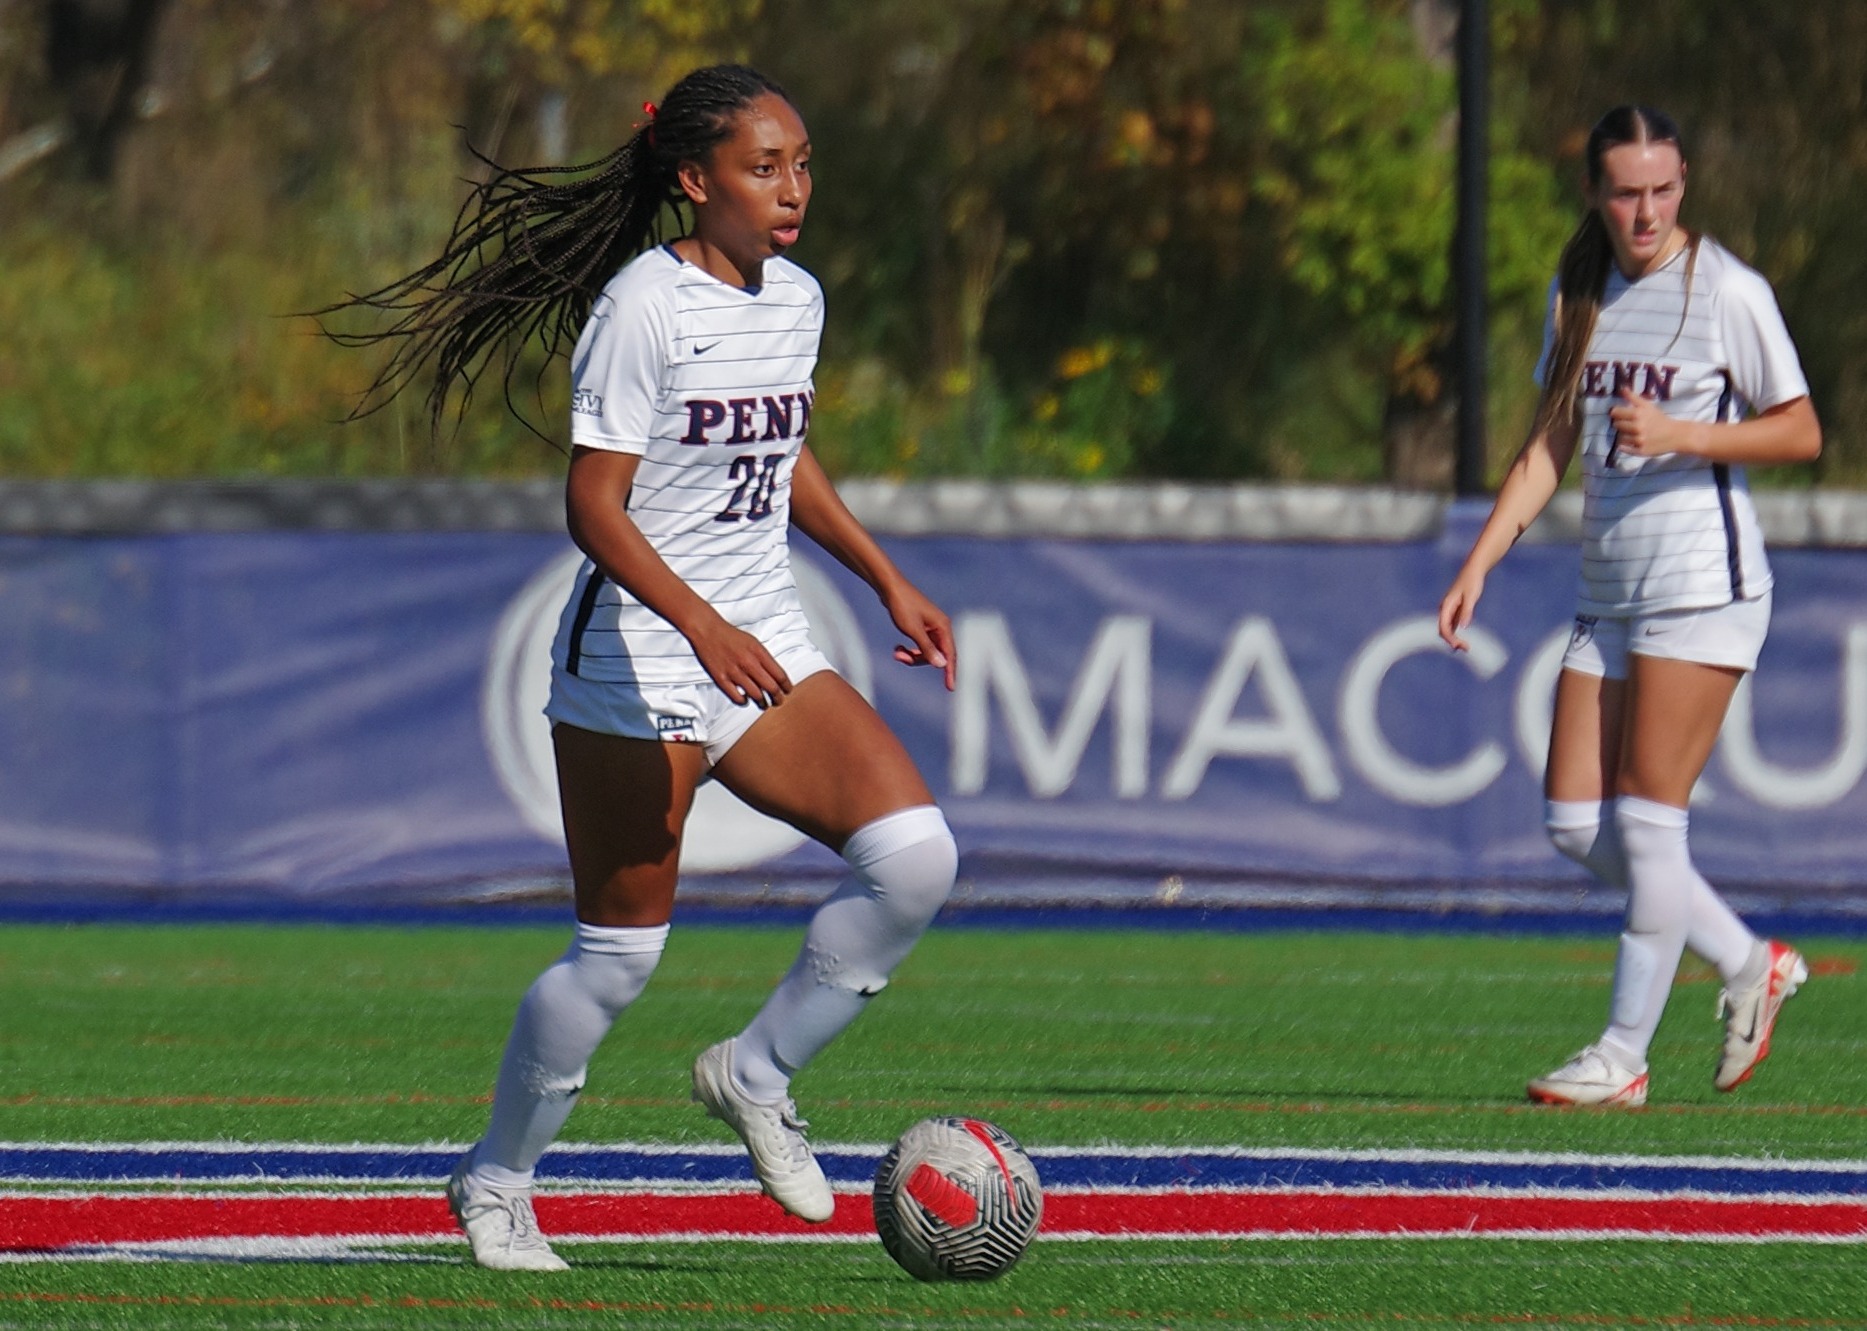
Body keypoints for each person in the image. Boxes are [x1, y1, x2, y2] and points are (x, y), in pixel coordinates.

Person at [324, 64, 959, 1269]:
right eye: (763, 167)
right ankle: (497, 1182)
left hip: (759, 634)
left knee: (917, 858)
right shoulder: (643, 306)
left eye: (803, 163)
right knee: (619, 958)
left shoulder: (797, 298)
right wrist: (699, 625)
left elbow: (786, 446)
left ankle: (755, 1073)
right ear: (692, 180)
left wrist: (885, 575)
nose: (792, 189)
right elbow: (594, 506)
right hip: (636, 662)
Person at [1437, 106, 1821, 1108]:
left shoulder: (1726, 291)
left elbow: (1799, 432)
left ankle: (1621, 1055)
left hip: (1702, 585)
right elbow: (1545, 446)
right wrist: (1480, 559)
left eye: (1659, 189)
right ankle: (1747, 958)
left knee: (1650, 827)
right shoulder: (1579, 293)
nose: (1643, 210)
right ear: (1595, 193)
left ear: (1683, 181)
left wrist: (1684, 434)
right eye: (1623, 191)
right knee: (1573, 821)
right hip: (1608, 586)